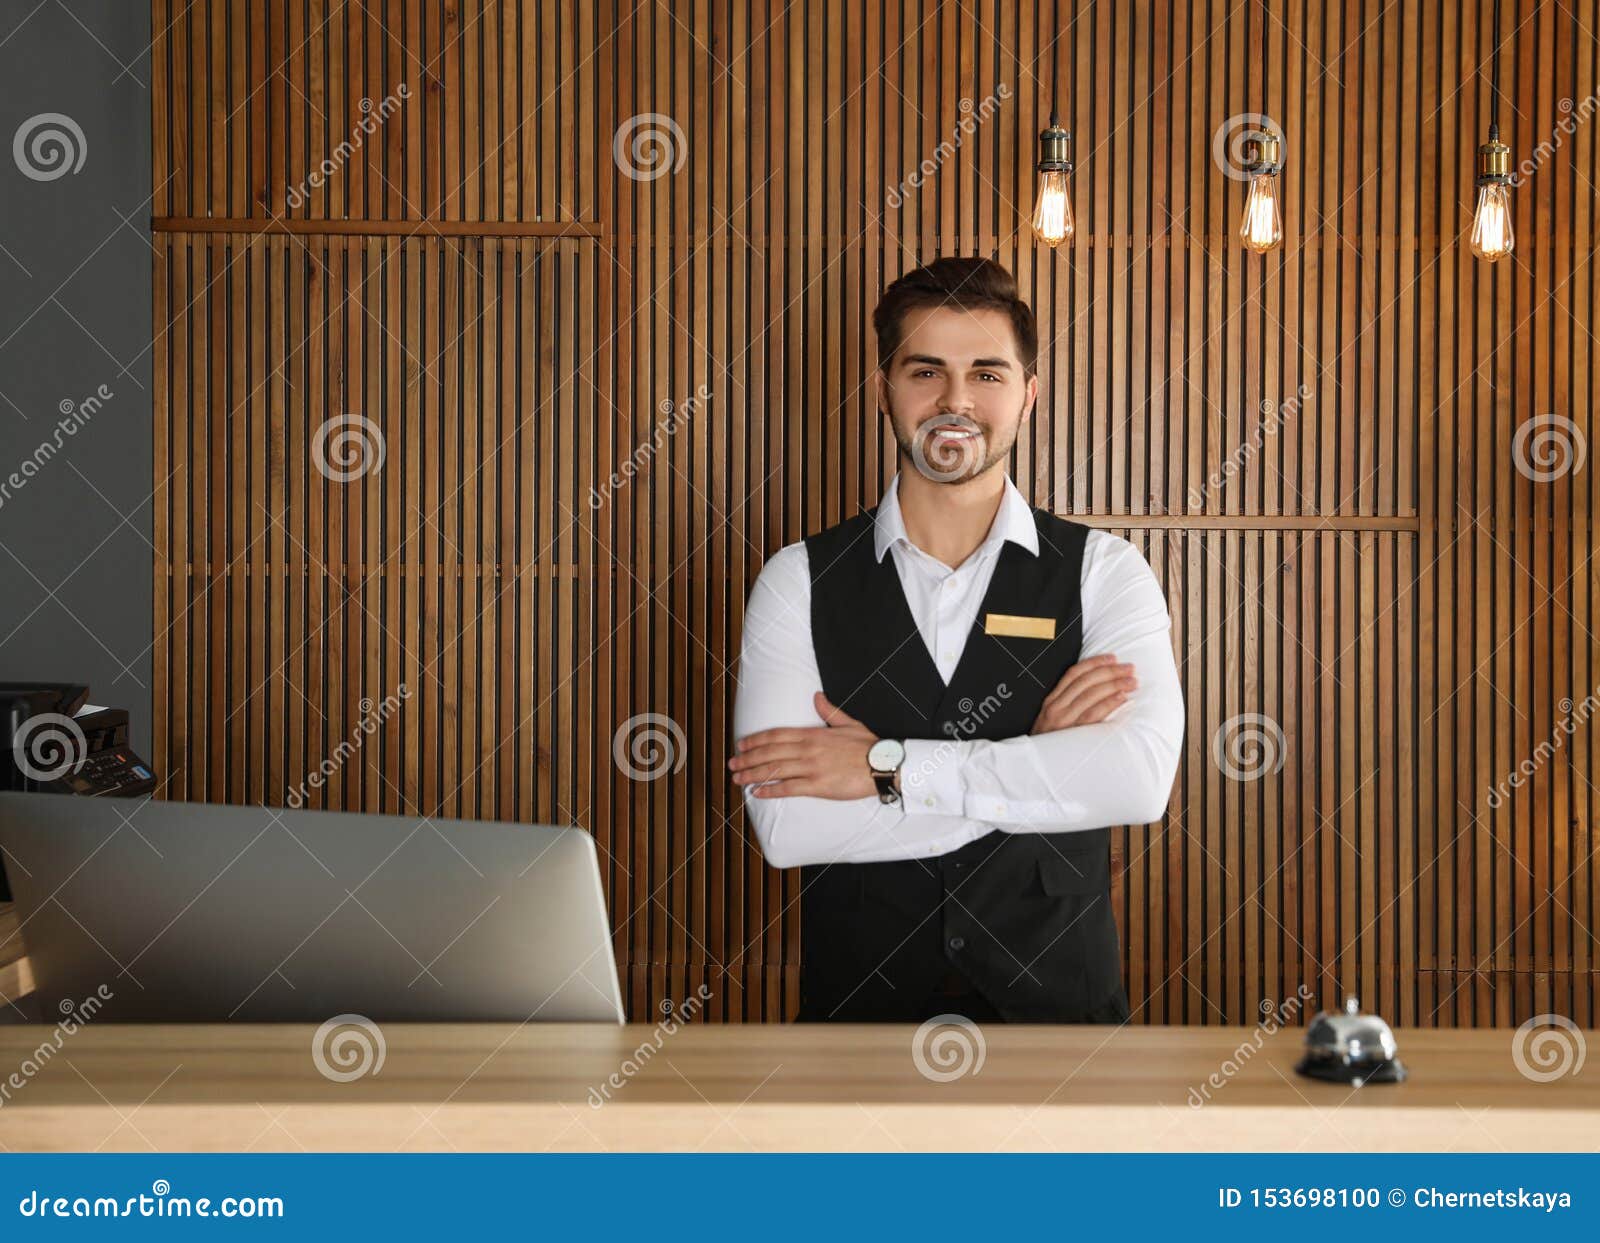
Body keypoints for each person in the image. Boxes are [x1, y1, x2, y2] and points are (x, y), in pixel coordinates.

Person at [730, 256, 1184, 1023]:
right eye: (926, 371)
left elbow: (1138, 781)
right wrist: (1037, 764)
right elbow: (786, 824)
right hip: (857, 1039)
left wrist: (887, 766)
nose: (956, 400)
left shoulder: (1106, 570)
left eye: (988, 373)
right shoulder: (796, 578)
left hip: (1061, 1033)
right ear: (885, 390)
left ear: (1028, 396)